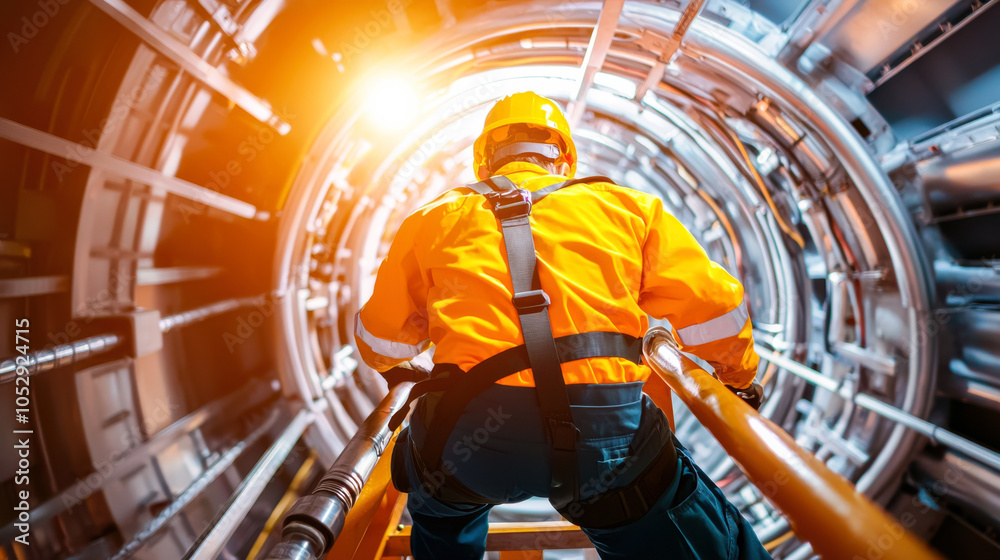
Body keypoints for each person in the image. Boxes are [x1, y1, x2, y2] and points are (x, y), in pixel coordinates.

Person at [354, 91, 770, 559]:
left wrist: (399, 370)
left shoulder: (432, 221)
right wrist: (739, 381)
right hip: (605, 443)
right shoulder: (628, 210)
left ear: (484, 161)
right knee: (686, 529)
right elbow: (715, 311)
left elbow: (381, 338)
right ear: (565, 157)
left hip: (469, 444)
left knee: (436, 496)